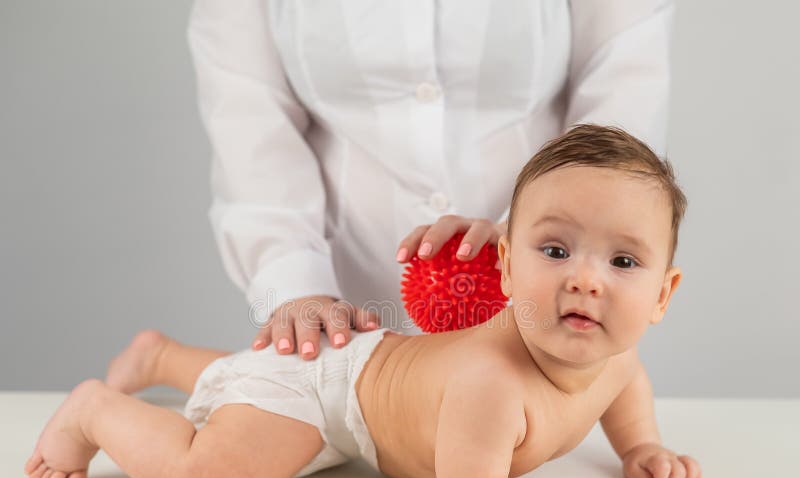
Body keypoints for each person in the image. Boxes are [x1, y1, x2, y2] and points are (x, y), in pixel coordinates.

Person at [25, 125, 702, 478]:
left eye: (622, 262)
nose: (587, 281)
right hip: (330, 403)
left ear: (661, 296)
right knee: (213, 477)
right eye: (554, 250)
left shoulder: (613, 356)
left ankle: (163, 355)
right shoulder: (491, 385)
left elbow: (625, 382)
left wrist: (640, 444)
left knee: (250, 380)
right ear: (503, 262)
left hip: (366, 367)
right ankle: (97, 411)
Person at [186, 0, 676, 359]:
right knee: (265, 431)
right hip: (341, 324)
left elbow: (622, 92)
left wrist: (541, 241)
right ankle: (160, 358)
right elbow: (248, 118)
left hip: (534, 311)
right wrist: (294, 284)